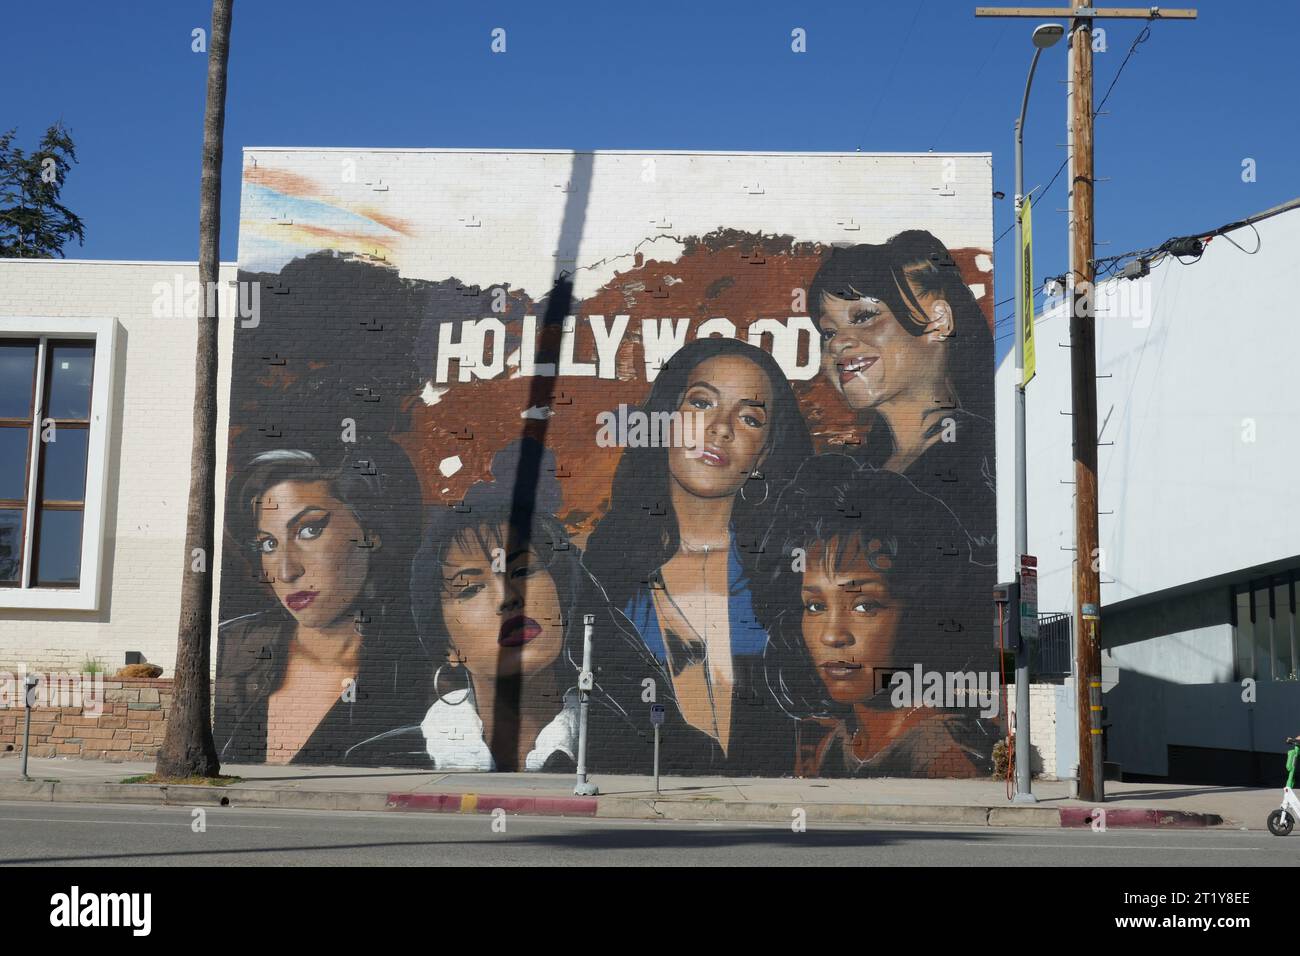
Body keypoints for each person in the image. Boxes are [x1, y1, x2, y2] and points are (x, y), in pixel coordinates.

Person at [358, 438, 689, 772]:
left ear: (563, 597)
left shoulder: (646, 751)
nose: (508, 598)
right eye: (470, 588)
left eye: (525, 570)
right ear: (448, 645)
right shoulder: (384, 759)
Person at [584, 336, 813, 773]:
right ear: (666, 420)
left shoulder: (789, 575)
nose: (722, 427)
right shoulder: (603, 574)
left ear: (763, 453)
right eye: (702, 403)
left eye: (749, 417)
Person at [759, 454, 996, 778]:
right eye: (815, 606)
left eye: (864, 606)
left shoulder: (943, 755)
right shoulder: (838, 742)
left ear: (920, 610)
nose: (832, 635)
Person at [214, 441, 429, 766]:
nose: (286, 571)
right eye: (268, 544)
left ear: (371, 531)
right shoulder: (231, 647)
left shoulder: (430, 668)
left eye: (309, 530)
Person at [808, 230, 995, 567]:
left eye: (864, 317)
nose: (838, 344)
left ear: (939, 320)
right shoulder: (855, 472)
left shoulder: (985, 462)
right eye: (829, 332)